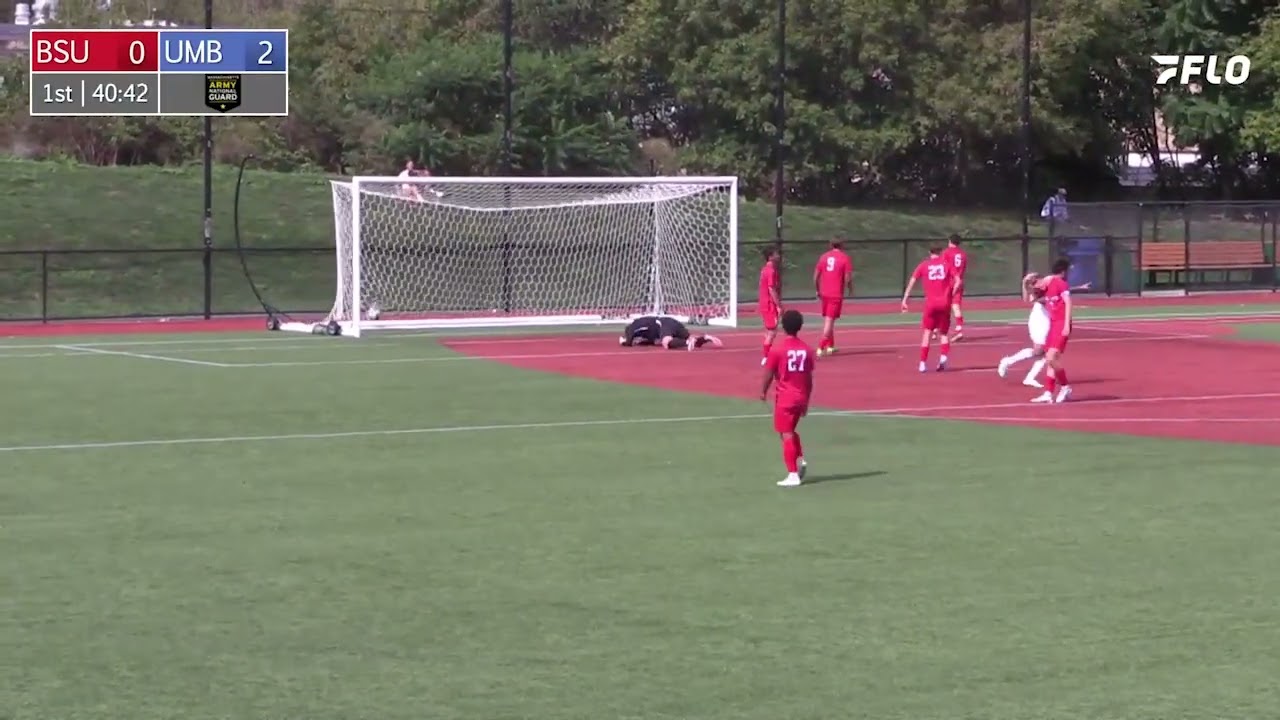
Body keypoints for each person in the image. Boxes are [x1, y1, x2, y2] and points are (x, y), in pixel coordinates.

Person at [997, 272, 1090, 388]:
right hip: (1039, 321)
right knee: (1042, 351)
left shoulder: (1052, 288)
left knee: (1044, 353)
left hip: (1049, 321)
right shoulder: (1038, 294)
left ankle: (1027, 375)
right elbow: (1030, 299)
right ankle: (1009, 363)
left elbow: (1064, 290)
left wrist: (1080, 288)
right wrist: (1025, 283)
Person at [760, 309, 814, 487]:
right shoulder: (806, 349)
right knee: (787, 430)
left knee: (786, 432)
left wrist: (762, 391)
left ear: (783, 327)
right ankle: (800, 460)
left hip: (785, 397)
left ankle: (793, 473)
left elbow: (768, 372)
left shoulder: (778, 349)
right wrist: (806, 400)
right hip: (800, 396)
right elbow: (808, 378)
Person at [900, 247, 960, 372]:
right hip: (944, 303)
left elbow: (912, 281)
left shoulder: (924, 265)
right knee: (943, 333)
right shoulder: (946, 265)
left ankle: (923, 363)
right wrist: (951, 293)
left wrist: (905, 299)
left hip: (931, 304)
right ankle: (943, 358)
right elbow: (958, 281)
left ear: (930, 253)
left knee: (927, 332)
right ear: (940, 253)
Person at [1031, 258, 1074, 403]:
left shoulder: (1061, 284)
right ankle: (1048, 392)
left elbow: (1068, 302)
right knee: (1050, 360)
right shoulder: (1048, 283)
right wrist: (1027, 282)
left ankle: (1065, 386)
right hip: (1054, 324)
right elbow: (1034, 290)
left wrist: (1067, 324)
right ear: (1063, 271)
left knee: (1050, 357)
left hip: (1061, 323)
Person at [812, 238, 854, 356]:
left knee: (829, 318)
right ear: (842, 245)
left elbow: (815, 276)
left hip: (825, 293)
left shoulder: (823, 257)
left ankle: (830, 346)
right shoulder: (844, 258)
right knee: (829, 320)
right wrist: (850, 289)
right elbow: (848, 278)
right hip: (835, 294)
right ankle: (821, 347)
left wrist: (817, 290)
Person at [619, 315, 722, 350]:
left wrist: (623, 342)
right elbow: (650, 341)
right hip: (672, 323)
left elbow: (629, 340)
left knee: (666, 342)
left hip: (664, 323)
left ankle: (686, 343)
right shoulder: (646, 333)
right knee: (690, 338)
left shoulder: (633, 327)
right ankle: (705, 338)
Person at [758, 246, 783, 365]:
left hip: (764, 303)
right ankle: (766, 357)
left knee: (769, 331)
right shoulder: (771, 271)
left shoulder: (765, 269)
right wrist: (778, 305)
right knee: (772, 332)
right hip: (769, 304)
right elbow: (771, 288)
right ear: (771, 257)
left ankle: (768, 354)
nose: (778, 256)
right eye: (776, 254)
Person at [941, 234, 969, 340]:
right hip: (959, 281)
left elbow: (942, 266)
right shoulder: (963, 254)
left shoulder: (946, 252)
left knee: (941, 305)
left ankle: (936, 329)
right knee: (956, 306)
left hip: (948, 282)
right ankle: (959, 329)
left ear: (950, 241)